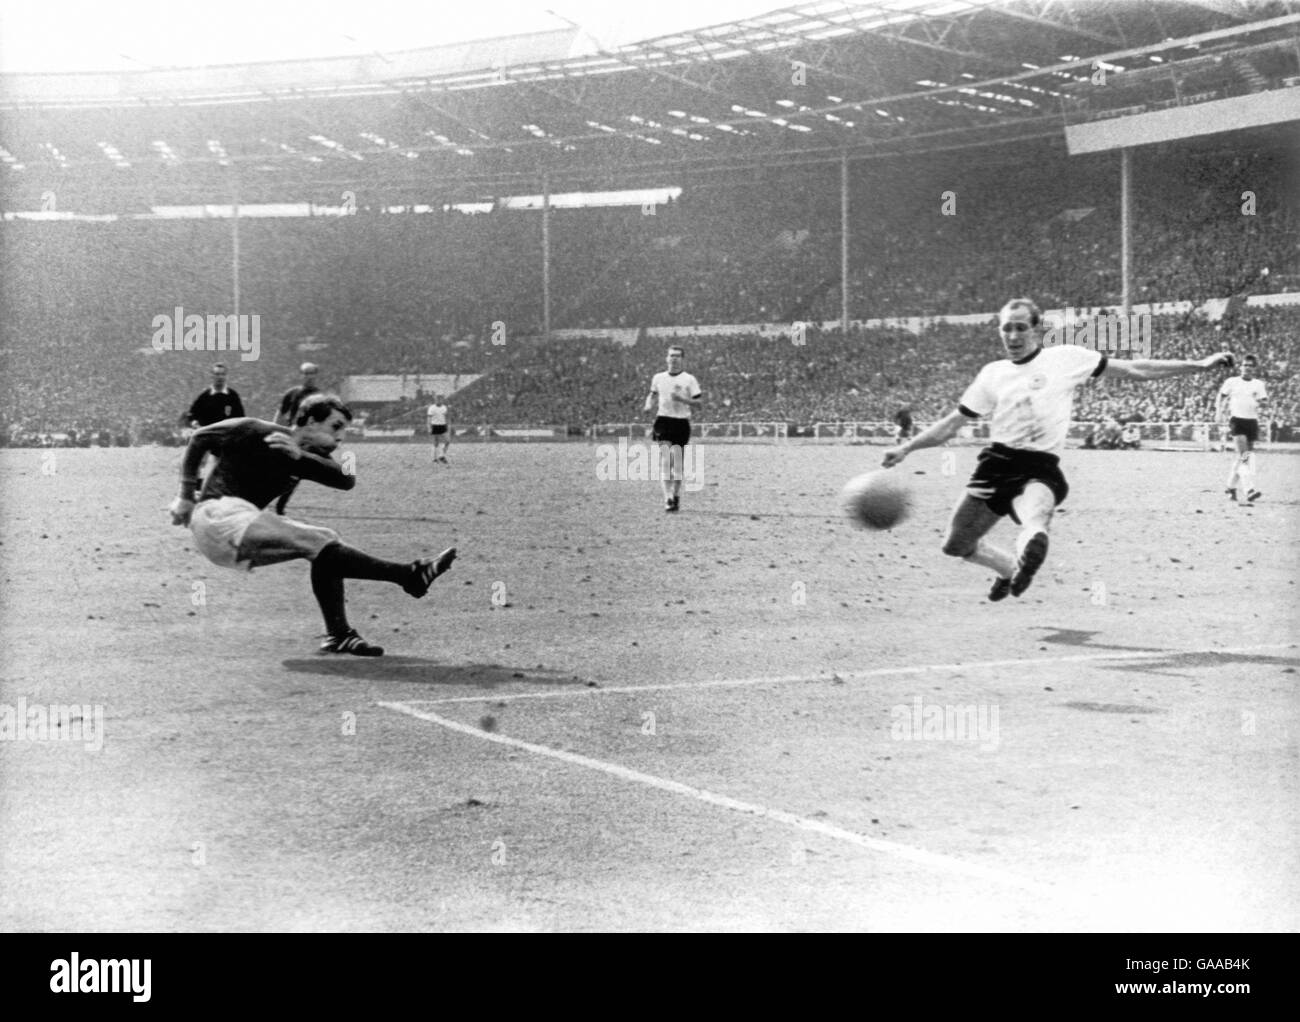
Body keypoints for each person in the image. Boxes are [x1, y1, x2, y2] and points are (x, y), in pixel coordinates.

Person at [881, 298, 1233, 602]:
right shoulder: (993, 374)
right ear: (1000, 331)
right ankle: (1008, 569)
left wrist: (1198, 365)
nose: (1014, 336)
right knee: (955, 545)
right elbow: (952, 423)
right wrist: (907, 448)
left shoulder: (1066, 358)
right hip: (995, 464)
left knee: (1035, 520)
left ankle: (1031, 544)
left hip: (1039, 465)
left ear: (1037, 330)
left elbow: (1134, 368)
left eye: (1021, 328)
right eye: (1007, 329)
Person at [167, 394, 456, 656]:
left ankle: (339, 634)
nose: (341, 436)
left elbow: (346, 479)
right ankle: (408, 575)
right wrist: (184, 496)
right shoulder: (257, 430)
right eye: (335, 426)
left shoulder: (303, 457)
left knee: (325, 541)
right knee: (317, 543)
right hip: (217, 515)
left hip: (232, 535)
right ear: (309, 421)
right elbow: (201, 437)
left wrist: (299, 456)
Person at [644, 345, 703, 512]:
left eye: (677, 356)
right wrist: (648, 403)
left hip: (681, 422)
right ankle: (668, 498)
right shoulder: (658, 377)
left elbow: (699, 404)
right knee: (665, 460)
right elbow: (653, 393)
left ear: (682, 359)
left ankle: (676, 494)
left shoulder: (689, 379)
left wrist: (683, 400)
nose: (674, 358)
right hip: (663, 420)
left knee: (677, 463)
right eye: (671, 355)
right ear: (666, 358)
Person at [1216, 354, 1267, 503]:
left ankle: (1230, 487)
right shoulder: (1232, 381)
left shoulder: (1258, 384)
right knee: (1244, 456)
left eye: (1250, 366)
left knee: (1244, 457)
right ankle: (1249, 489)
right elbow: (1221, 396)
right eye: (1245, 365)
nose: (1247, 368)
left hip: (1252, 421)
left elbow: (1264, 401)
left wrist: (1261, 403)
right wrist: (1218, 412)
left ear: (1254, 368)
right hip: (1237, 420)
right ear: (1240, 367)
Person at [273, 363, 322, 515]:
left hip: (307, 440)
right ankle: (270, 502)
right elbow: (281, 413)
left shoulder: (320, 397)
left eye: (312, 373)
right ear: (301, 375)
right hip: (291, 434)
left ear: (316, 375)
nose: (309, 377)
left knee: (295, 474)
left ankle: (280, 507)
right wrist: (274, 429)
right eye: (306, 373)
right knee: (280, 471)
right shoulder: (293, 393)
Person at [184, 363, 245, 428]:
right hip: (208, 434)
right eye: (217, 374)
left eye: (223, 374)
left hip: (228, 435)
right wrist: (195, 423)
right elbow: (191, 414)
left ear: (226, 376)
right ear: (212, 376)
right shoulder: (204, 397)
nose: (220, 377)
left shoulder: (233, 396)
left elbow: (241, 418)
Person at [426, 394, 450, 464]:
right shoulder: (431, 408)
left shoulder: (444, 407)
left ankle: (441, 456)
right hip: (435, 426)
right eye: (437, 399)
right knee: (436, 443)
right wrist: (429, 428)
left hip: (442, 426)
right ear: (435, 400)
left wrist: (447, 426)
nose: (439, 400)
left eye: (440, 399)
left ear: (442, 400)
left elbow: (446, 417)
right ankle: (434, 459)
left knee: (447, 441)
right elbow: (429, 419)